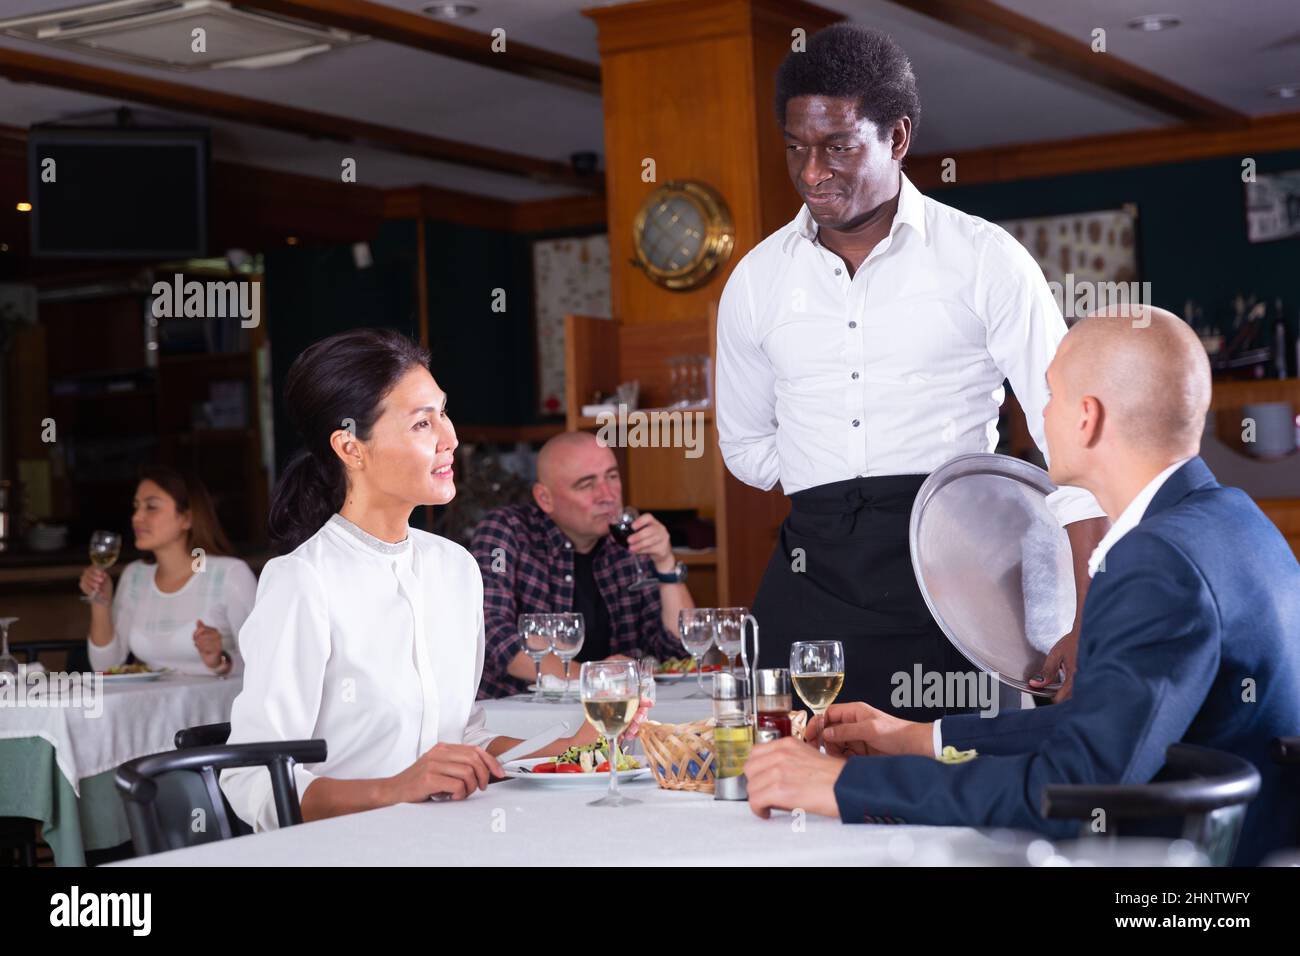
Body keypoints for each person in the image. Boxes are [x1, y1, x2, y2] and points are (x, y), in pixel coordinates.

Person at [744, 307, 1300, 866]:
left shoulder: (1158, 564)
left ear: (1088, 418)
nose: (1040, 415)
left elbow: (1077, 786)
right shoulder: (1232, 519)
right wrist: (923, 737)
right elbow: (1113, 726)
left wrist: (840, 787)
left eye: (1050, 396)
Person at [715, 24, 1108, 718]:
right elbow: (746, 448)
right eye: (796, 147)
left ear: (896, 138)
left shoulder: (987, 259)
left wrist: (1086, 618)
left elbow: (1075, 448)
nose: (812, 172)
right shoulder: (755, 280)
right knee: (784, 788)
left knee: (954, 789)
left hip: (961, 575)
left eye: (838, 146)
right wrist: (826, 469)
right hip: (814, 575)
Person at [220, 330, 646, 832]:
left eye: (443, 413)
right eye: (423, 422)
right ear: (351, 448)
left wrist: (578, 745)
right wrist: (395, 789)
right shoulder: (303, 581)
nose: (451, 438)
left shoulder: (455, 568)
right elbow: (253, 780)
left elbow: (462, 743)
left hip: (445, 839)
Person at [471, 430, 695, 698]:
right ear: (545, 498)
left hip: (614, 710)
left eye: (612, 477)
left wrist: (665, 563)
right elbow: (491, 631)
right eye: (587, 484)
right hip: (517, 715)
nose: (607, 495)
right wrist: (595, 678)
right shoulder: (505, 532)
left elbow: (680, 648)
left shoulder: (629, 543)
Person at [81, 464, 254, 678]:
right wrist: (100, 603)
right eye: (136, 507)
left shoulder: (229, 574)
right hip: (153, 708)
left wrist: (220, 661)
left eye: (151, 507)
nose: (137, 517)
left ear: (187, 518)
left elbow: (266, 664)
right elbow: (105, 666)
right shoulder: (135, 576)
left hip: (215, 709)